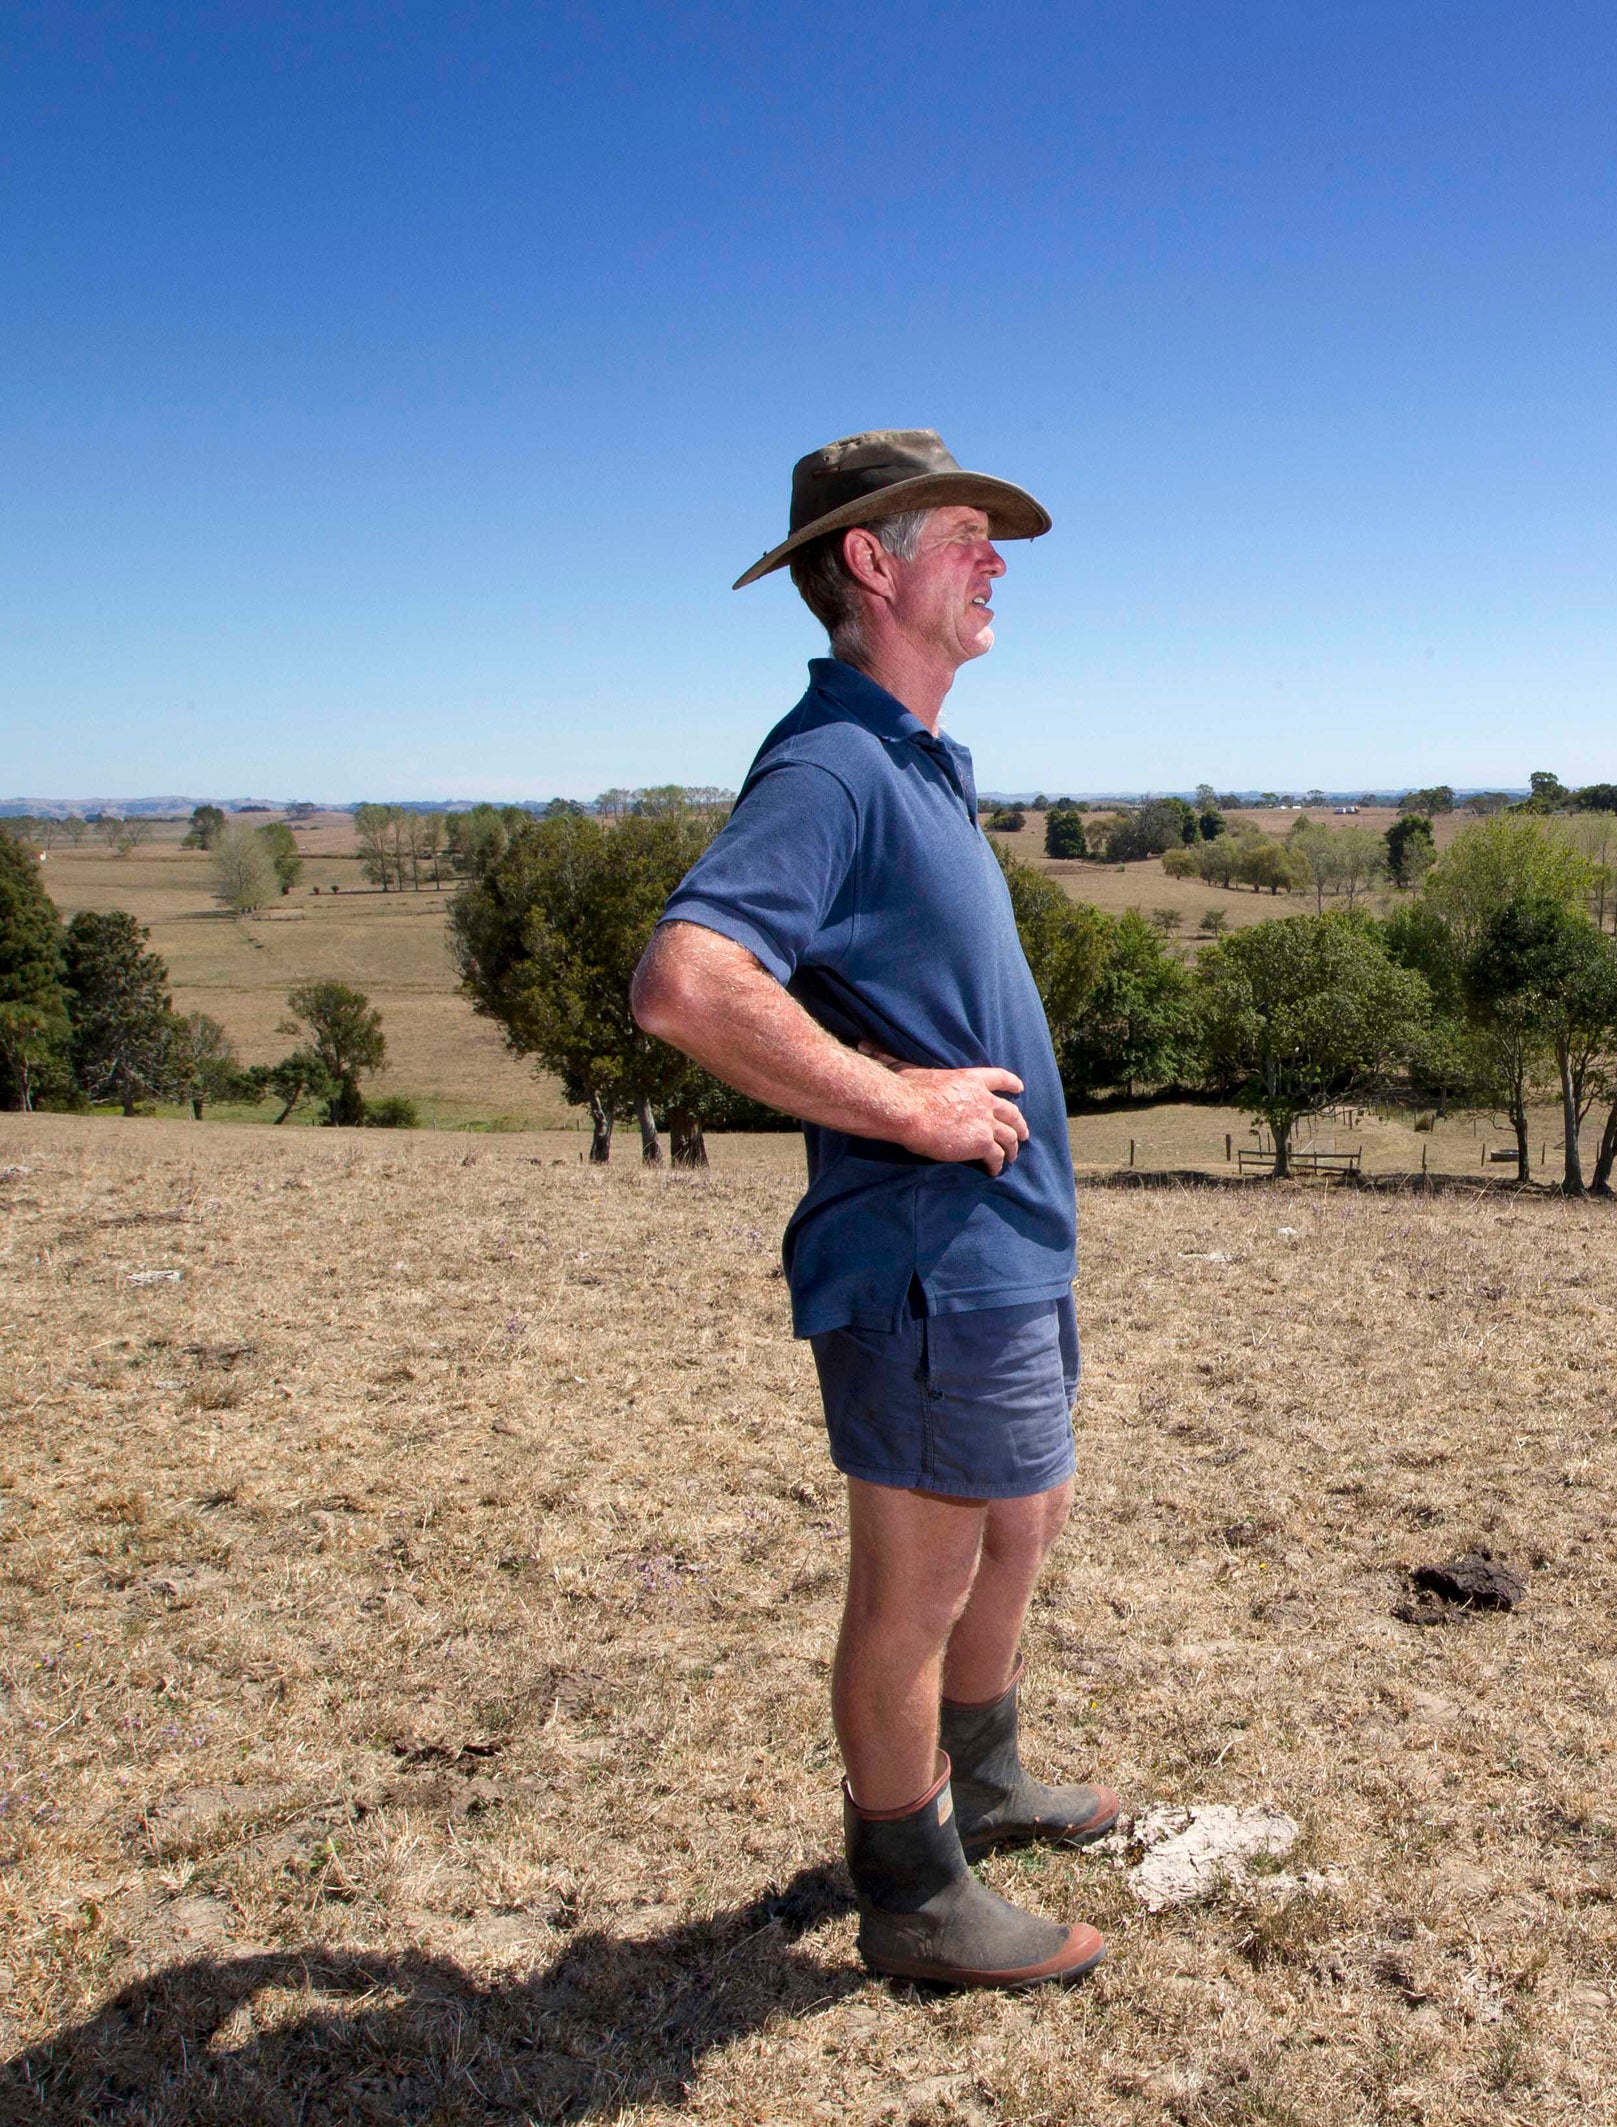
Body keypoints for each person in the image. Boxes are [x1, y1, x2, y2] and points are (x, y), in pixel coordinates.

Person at [632, 430, 1115, 1991]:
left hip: (1001, 1247)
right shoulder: (833, 760)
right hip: (919, 1266)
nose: (995, 562)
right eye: (964, 534)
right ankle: (909, 1884)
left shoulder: (915, 756)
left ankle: (983, 1776)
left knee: (1018, 1522)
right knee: (918, 1579)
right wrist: (906, 1105)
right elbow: (688, 984)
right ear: (871, 563)